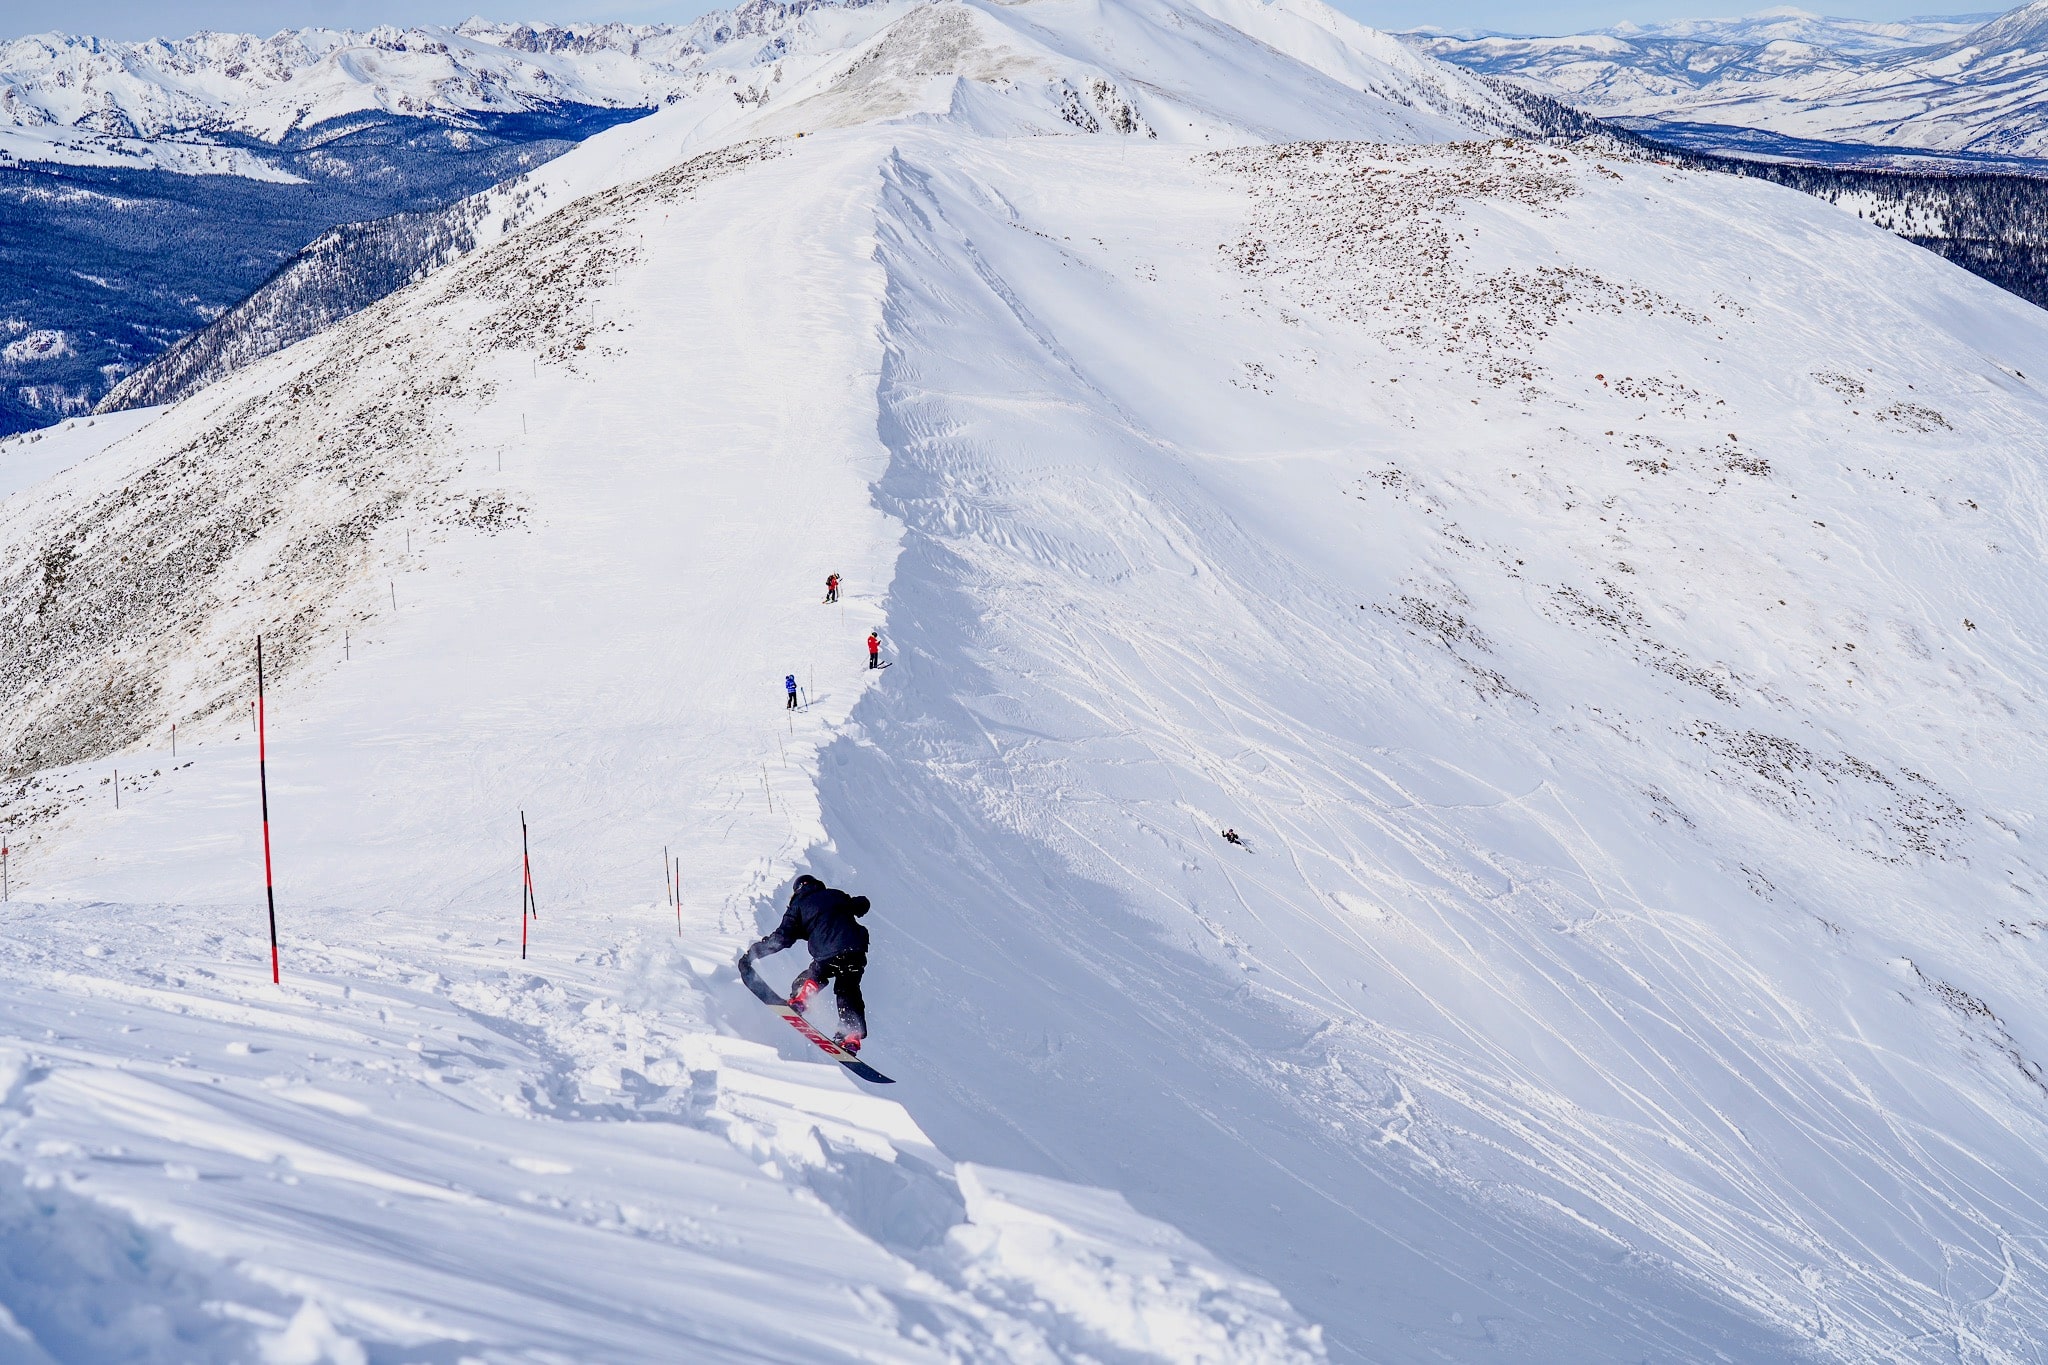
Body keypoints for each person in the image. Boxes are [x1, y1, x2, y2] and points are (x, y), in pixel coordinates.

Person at [740, 874, 871, 1052]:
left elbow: (782, 938)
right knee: (848, 989)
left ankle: (801, 998)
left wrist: (753, 953)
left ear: (797, 890)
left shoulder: (799, 904)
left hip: (828, 951)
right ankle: (851, 1033)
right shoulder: (835, 895)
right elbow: (861, 905)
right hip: (855, 949)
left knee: (816, 973)